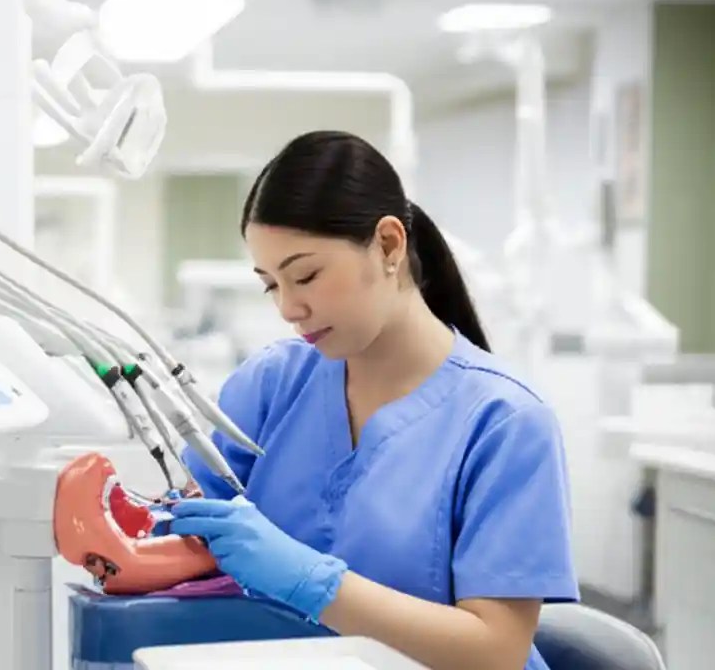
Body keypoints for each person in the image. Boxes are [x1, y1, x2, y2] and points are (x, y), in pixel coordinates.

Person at [163, 131, 579, 670]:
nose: (288, 308)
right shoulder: (270, 387)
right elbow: (190, 539)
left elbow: (495, 651)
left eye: (306, 276)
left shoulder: (505, 423)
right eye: (271, 285)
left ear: (387, 245)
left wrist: (313, 582)